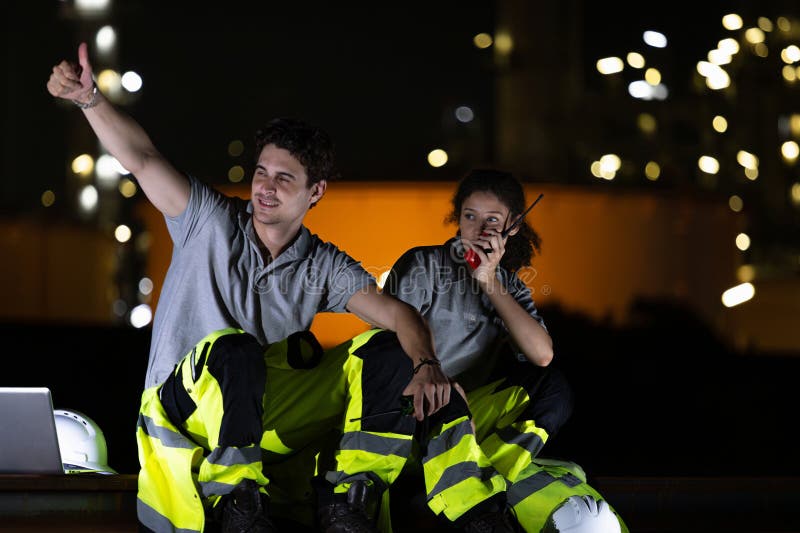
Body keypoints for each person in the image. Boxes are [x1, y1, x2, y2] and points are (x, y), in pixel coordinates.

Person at [47, 44, 508, 533]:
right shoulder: (207, 219)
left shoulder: (321, 263)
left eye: (284, 178)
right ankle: (233, 504)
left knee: (388, 349)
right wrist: (90, 99)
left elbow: (400, 316)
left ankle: (351, 499)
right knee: (235, 349)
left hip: (256, 420)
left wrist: (427, 366)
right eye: (261, 172)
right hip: (181, 409)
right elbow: (142, 158)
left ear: (316, 192)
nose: (264, 187)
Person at [384, 169, 577, 531]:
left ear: (513, 226)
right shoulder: (424, 263)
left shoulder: (508, 287)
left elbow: (542, 355)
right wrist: (436, 373)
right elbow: (388, 346)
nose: (479, 229)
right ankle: (471, 508)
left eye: (493, 220)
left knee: (554, 388)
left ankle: (486, 481)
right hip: (409, 409)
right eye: (470, 216)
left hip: (466, 419)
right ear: (457, 218)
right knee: (445, 392)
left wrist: (488, 281)